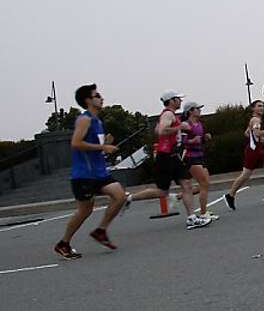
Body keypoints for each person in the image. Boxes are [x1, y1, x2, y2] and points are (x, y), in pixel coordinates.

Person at [54, 84, 127, 259]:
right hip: (84, 174)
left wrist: (105, 144)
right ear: (88, 100)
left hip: (100, 173)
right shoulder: (84, 119)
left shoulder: (98, 122)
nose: (101, 98)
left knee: (120, 196)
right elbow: (76, 143)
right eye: (97, 95)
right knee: (84, 211)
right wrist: (103, 146)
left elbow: (94, 149)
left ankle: (101, 230)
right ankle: (63, 243)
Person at [125, 91, 210, 229]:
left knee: (186, 184)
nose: (180, 101)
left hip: (172, 155)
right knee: (163, 191)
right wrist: (179, 127)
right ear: (171, 100)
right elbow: (161, 131)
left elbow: (158, 129)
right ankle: (129, 198)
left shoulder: (168, 115)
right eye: (178, 99)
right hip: (166, 155)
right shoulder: (168, 114)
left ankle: (191, 218)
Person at [224, 99, 264, 208]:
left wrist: (258, 138)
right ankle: (230, 195)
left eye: (263, 106)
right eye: (259, 106)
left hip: (258, 150)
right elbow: (256, 132)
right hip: (252, 151)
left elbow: (247, 133)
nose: (261, 108)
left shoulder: (255, 120)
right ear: (253, 108)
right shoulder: (256, 120)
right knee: (245, 175)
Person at [181, 101, 220, 220]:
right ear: (191, 111)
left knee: (206, 183)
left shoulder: (199, 124)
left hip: (200, 155)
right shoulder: (185, 124)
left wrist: (204, 138)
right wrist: (192, 141)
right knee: (203, 183)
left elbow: (199, 140)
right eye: (198, 108)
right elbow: (182, 141)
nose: (200, 110)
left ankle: (181, 197)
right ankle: (203, 213)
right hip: (190, 157)